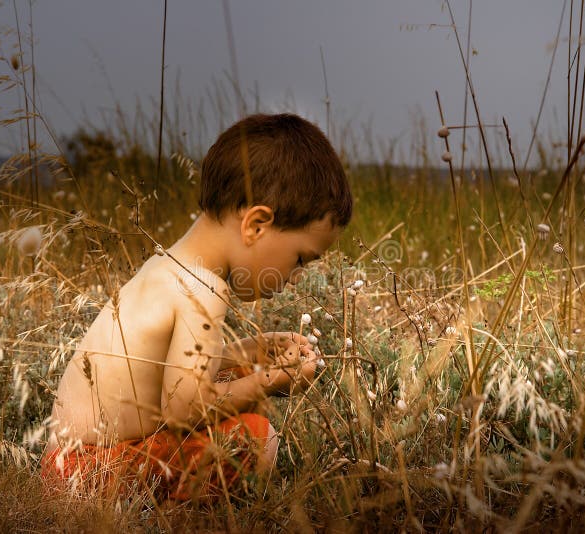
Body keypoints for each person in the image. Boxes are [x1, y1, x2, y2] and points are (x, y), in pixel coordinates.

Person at [41, 113, 353, 501]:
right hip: (89, 473)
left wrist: (245, 353)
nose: (296, 277)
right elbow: (185, 409)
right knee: (256, 439)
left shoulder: (169, 266)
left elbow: (167, 372)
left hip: (67, 465)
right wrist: (274, 379)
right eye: (300, 258)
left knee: (238, 380)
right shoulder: (205, 289)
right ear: (256, 224)